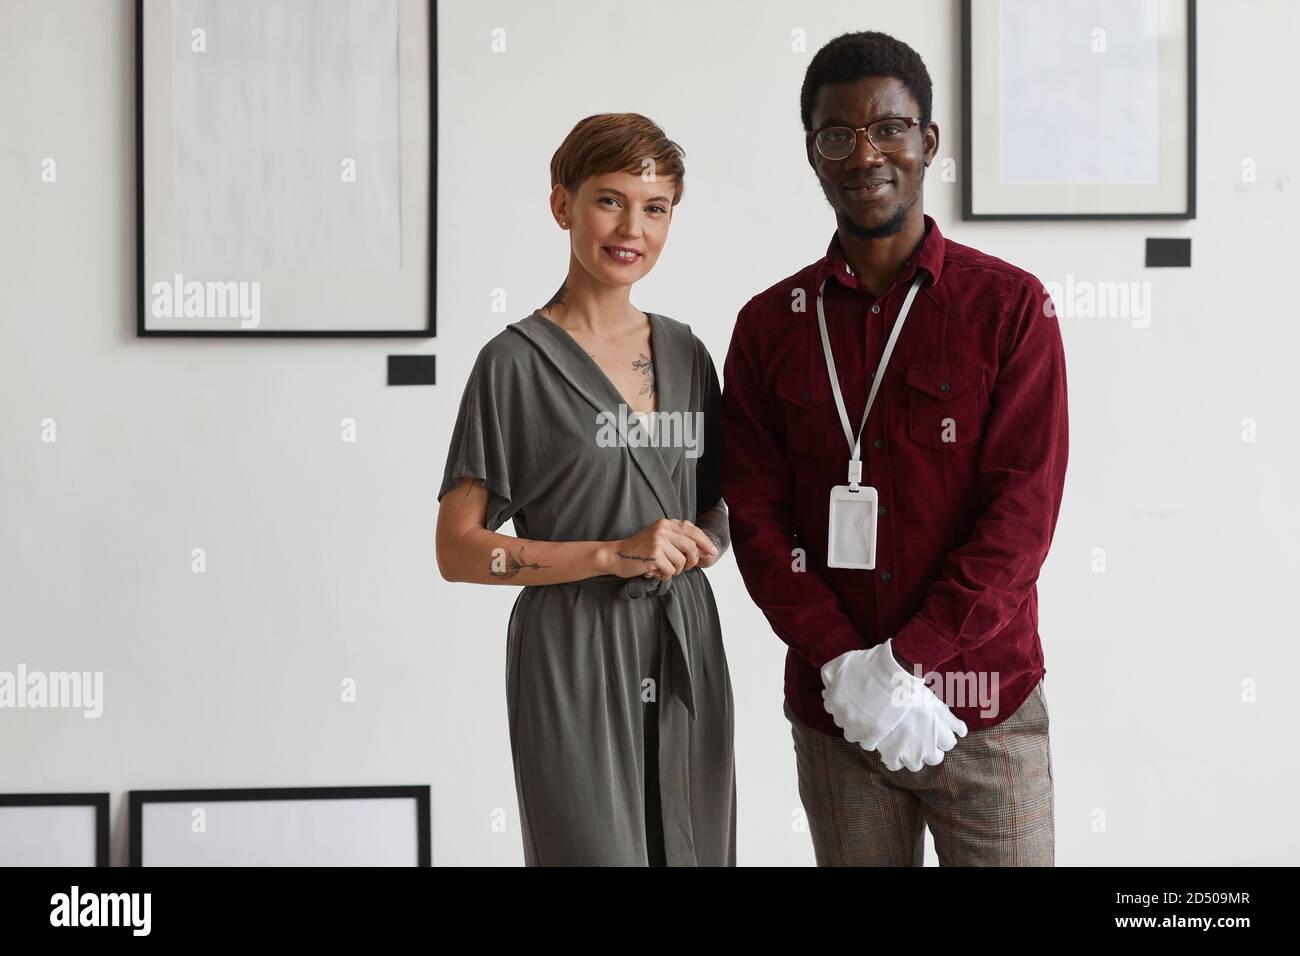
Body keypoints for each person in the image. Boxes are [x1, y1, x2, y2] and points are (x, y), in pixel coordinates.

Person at [721, 31, 1068, 866]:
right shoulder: (770, 327)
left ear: (928, 143)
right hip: (835, 715)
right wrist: (845, 664)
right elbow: (758, 518)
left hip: (982, 708)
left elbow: (1021, 517)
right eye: (836, 134)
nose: (865, 153)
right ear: (812, 154)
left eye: (890, 128)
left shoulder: (1012, 308)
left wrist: (906, 663)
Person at [436, 113, 735, 866]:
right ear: (562, 206)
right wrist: (612, 553)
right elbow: (459, 550)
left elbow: (714, 505)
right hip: (572, 648)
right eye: (609, 200)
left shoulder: (686, 351)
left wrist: (703, 543)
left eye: (655, 206)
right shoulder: (512, 364)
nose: (632, 226)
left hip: (684, 641)